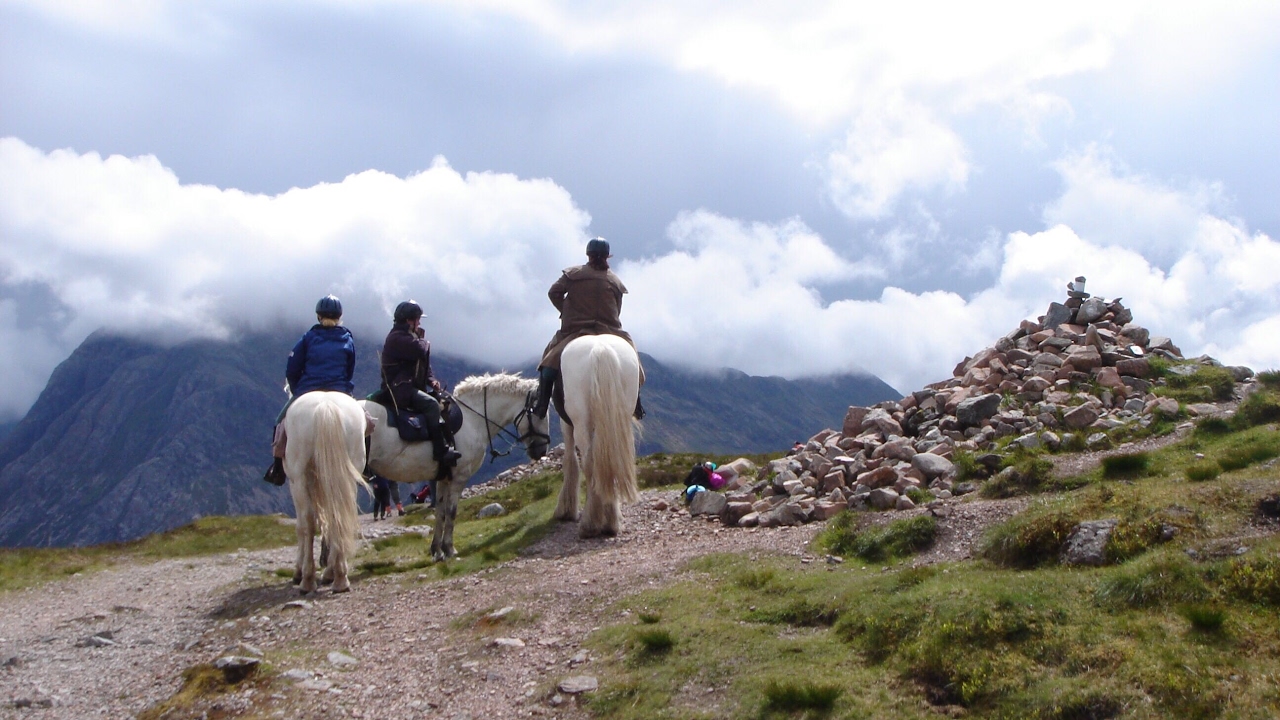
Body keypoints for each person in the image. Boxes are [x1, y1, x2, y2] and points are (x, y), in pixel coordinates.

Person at [532, 237, 644, 419]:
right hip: (610, 330)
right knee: (633, 363)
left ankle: (541, 406)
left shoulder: (573, 274)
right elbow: (617, 309)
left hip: (576, 330)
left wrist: (566, 311)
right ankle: (636, 404)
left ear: (588, 254)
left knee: (548, 363)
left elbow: (554, 292)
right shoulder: (615, 281)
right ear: (607, 256)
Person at [264, 295, 356, 485]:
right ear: (339, 316)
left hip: (308, 388)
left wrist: (298, 390)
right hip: (340, 389)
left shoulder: (308, 338)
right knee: (366, 423)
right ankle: (364, 467)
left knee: (279, 422)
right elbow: (349, 370)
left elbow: (292, 369)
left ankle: (277, 469)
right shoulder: (348, 339)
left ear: (318, 316)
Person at [380, 300, 461, 467]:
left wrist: (432, 380)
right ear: (409, 320)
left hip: (408, 387)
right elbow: (420, 350)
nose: (419, 323)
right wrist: (424, 340)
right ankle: (440, 451)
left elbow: (423, 364)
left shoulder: (409, 337)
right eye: (418, 319)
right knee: (432, 405)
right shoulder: (397, 338)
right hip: (399, 389)